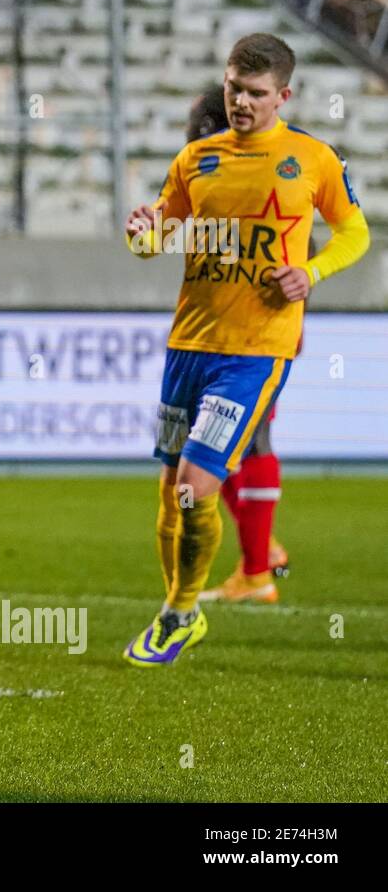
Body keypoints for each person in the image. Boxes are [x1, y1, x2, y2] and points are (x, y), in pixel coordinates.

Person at [122, 34, 370, 666]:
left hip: (257, 350)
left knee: (194, 487)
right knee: (169, 491)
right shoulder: (196, 160)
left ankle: (184, 613)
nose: (241, 103)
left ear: (283, 96)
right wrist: (142, 235)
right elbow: (160, 237)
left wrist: (310, 275)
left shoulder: (311, 159)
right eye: (234, 88)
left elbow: (355, 232)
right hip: (189, 343)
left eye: (256, 94)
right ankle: (182, 608)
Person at [185, 84, 291, 604]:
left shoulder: (255, 167)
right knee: (219, 439)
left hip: (256, 329)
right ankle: (260, 551)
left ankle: (256, 570)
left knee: (245, 440)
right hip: (238, 327)